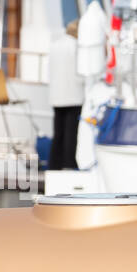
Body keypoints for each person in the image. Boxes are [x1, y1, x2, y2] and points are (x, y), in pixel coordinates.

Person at [48, 21, 84, 170]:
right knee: (71, 133)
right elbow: (81, 72)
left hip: (56, 95)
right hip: (73, 96)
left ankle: (54, 164)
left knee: (58, 133)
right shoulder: (77, 47)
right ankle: (69, 164)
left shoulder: (55, 45)